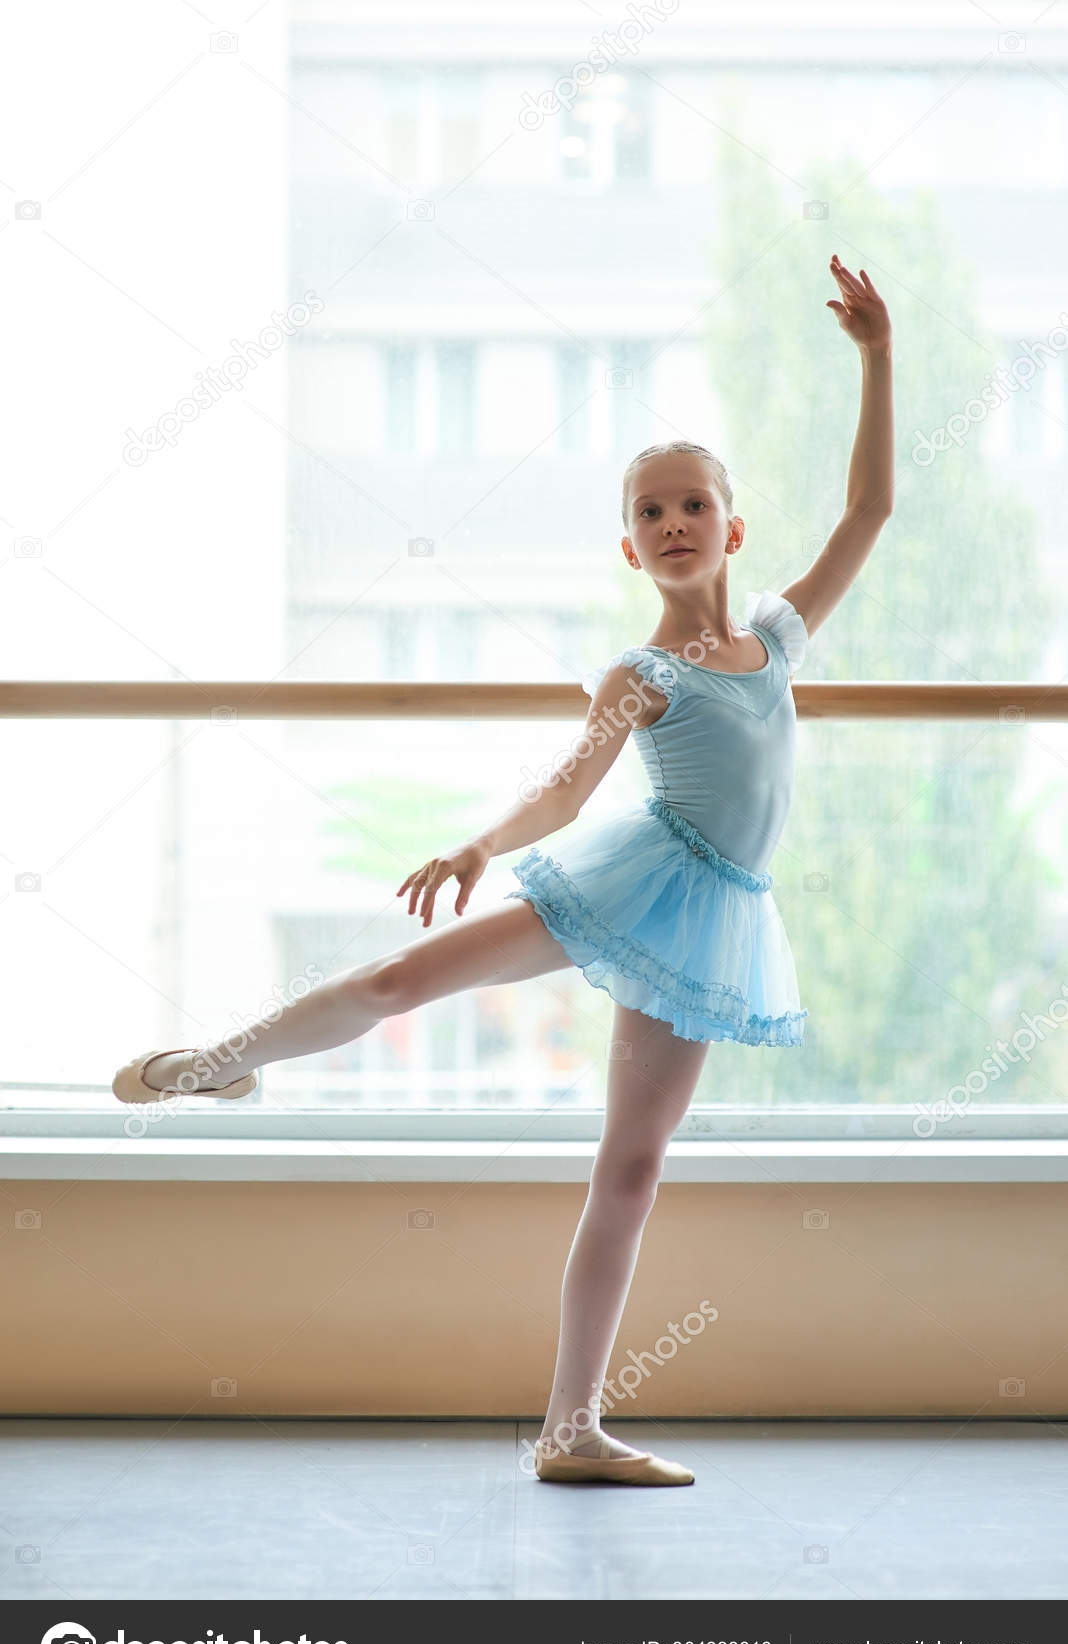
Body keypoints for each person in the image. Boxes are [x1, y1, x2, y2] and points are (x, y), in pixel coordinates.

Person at [113, 255, 894, 1487]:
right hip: (631, 874)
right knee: (402, 980)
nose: (675, 522)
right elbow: (573, 787)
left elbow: (867, 516)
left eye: (693, 503)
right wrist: (481, 844)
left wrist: (876, 357)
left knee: (629, 1168)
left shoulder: (778, 639)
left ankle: (569, 1429)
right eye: (651, 512)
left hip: (711, 919)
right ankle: (210, 1065)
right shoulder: (643, 674)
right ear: (632, 550)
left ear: (731, 527)